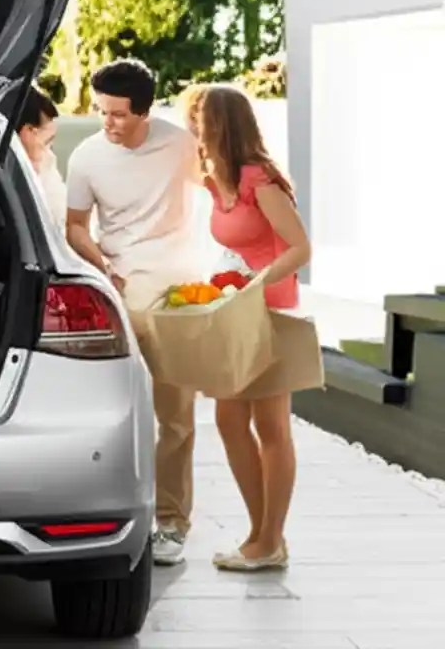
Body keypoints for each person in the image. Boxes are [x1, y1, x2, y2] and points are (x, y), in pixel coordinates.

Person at [64, 58, 204, 565]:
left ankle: (171, 522)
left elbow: (222, 196)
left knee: (177, 418)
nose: (109, 123)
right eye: (102, 112)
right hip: (119, 297)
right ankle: (112, 513)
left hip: (176, 298)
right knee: (116, 414)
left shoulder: (182, 146)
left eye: (119, 114)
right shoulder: (86, 156)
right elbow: (76, 226)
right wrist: (103, 267)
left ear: (144, 111)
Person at [189, 83, 308, 571]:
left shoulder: (260, 180)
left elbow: (301, 248)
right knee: (229, 420)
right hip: (232, 312)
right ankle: (262, 537)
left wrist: (256, 283)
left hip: (270, 311)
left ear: (221, 124)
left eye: (200, 117)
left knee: (271, 426)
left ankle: (269, 540)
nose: (194, 126)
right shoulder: (216, 180)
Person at [11, 87, 68, 236]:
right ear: (27, 131)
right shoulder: (3, 180)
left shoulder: (47, 163)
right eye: (47, 141)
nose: (48, 150)